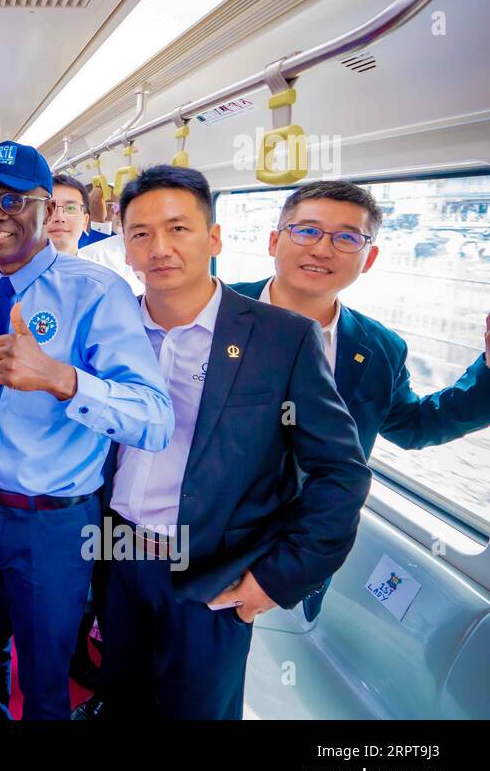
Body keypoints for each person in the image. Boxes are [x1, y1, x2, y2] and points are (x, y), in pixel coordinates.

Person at [95, 165, 373, 719]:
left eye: (179, 229)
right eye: (141, 234)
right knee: (120, 701)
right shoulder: (108, 326)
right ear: (125, 248)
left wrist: (275, 579)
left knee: (199, 710)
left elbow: (341, 472)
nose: (159, 248)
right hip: (118, 557)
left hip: (215, 573)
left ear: (214, 238)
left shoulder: (280, 338)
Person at [0, 141, 173, 720]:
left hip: (50, 523)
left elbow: (154, 418)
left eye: (11, 199)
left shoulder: (96, 293)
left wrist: (63, 379)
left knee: (45, 674)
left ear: (47, 208)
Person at [229, 179, 490, 619]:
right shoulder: (207, 312)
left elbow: (415, 427)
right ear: (275, 240)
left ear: (367, 258)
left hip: (296, 554)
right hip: (194, 543)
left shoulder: (378, 348)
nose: (322, 249)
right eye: (307, 230)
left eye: (347, 238)